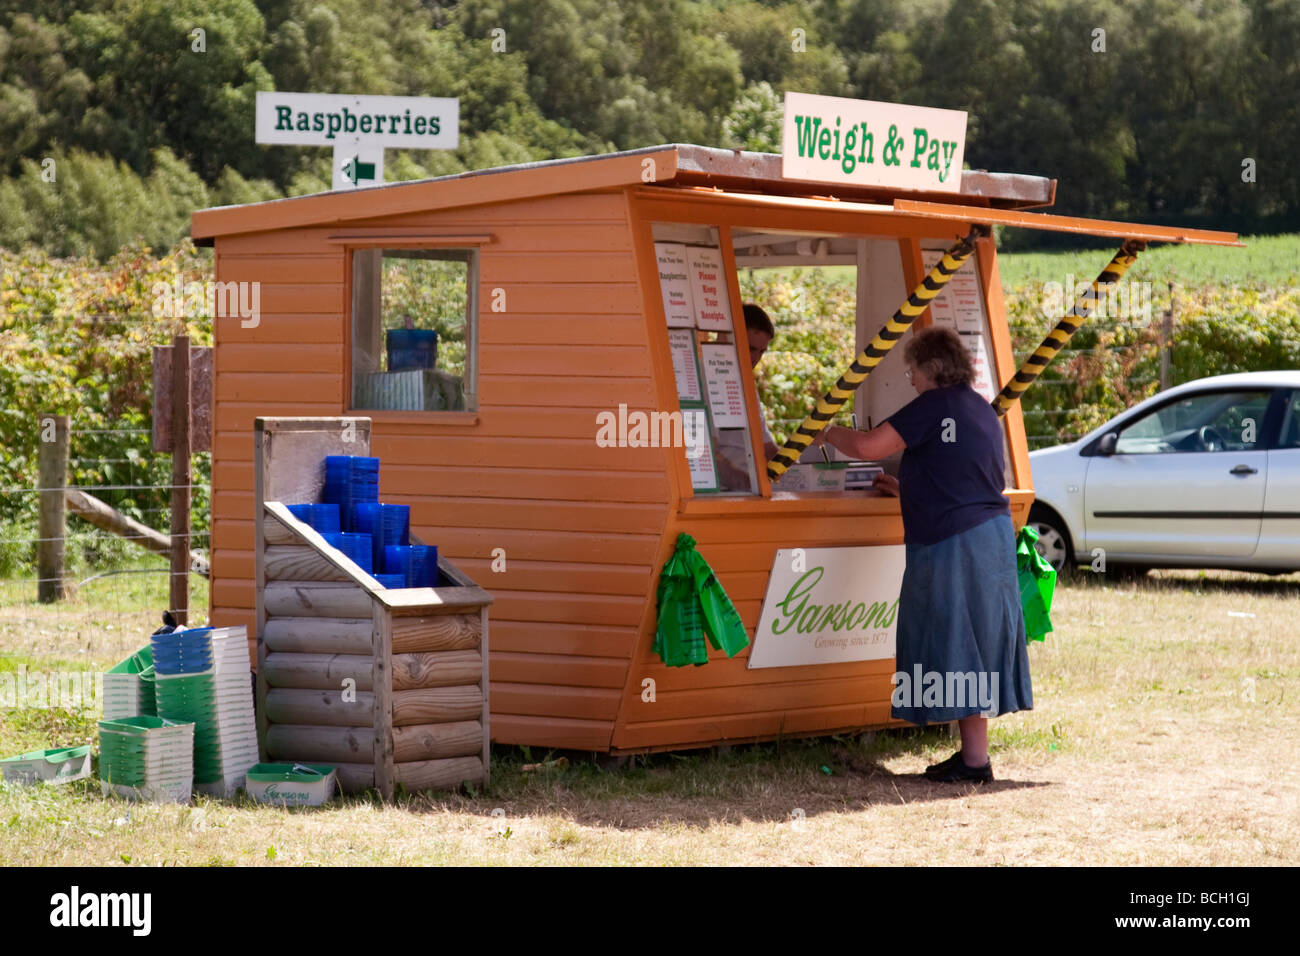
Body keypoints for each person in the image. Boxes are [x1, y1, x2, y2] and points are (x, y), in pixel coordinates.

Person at [811, 326, 1032, 783]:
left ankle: (974, 761)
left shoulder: (935, 404)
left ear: (932, 367)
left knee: (953, 635)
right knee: (973, 643)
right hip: (988, 537)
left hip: (954, 541)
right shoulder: (978, 406)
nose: (910, 379)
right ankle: (975, 758)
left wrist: (826, 431)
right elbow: (959, 472)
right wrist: (908, 487)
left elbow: (871, 446)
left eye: (912, 370)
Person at [714, 304, 780, 489]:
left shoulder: (746, 383)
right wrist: (747, 483)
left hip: (753, 487)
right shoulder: (705, 379)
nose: (756, 358)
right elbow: (709, 455)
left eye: (761, 352)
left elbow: (767, 447)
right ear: (729, 337)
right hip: (725, 492)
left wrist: (800, 475)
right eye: (751, 349)